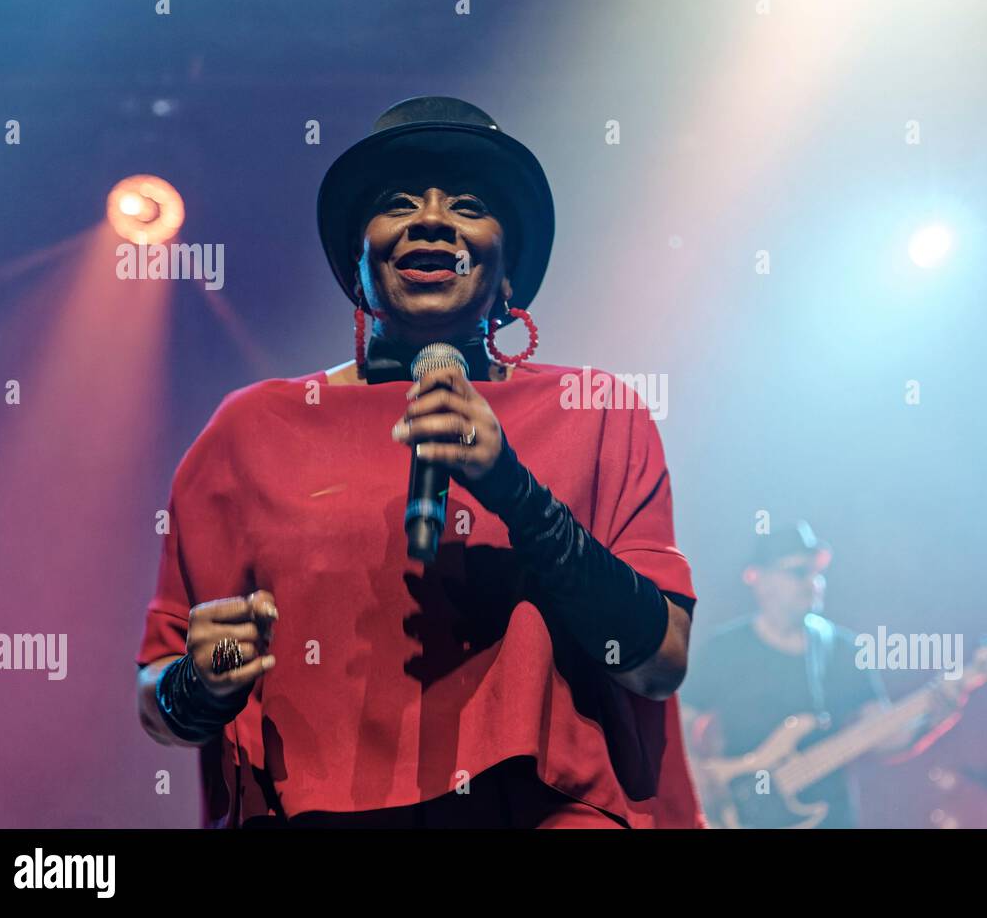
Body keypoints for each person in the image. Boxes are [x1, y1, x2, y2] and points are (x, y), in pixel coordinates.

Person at [134, 95, 702, 828]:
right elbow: (156, 704)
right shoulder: (253, 430)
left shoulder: (596, 411)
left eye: (468, 205)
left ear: (508, 275)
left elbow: (657, 663)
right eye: (398, 203)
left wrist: (514, 489)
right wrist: (195, 687)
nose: (431, 218)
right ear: (358, 264)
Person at [681, 521, 939, 829]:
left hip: (829, 818)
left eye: (817, 573)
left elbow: (885, 736)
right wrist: (694, 774)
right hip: (739, 815)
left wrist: (945, 702)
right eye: (798, 572)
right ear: (759, 580)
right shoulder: (724, 649)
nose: (813, 583)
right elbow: (677, 721)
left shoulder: (844, 650)